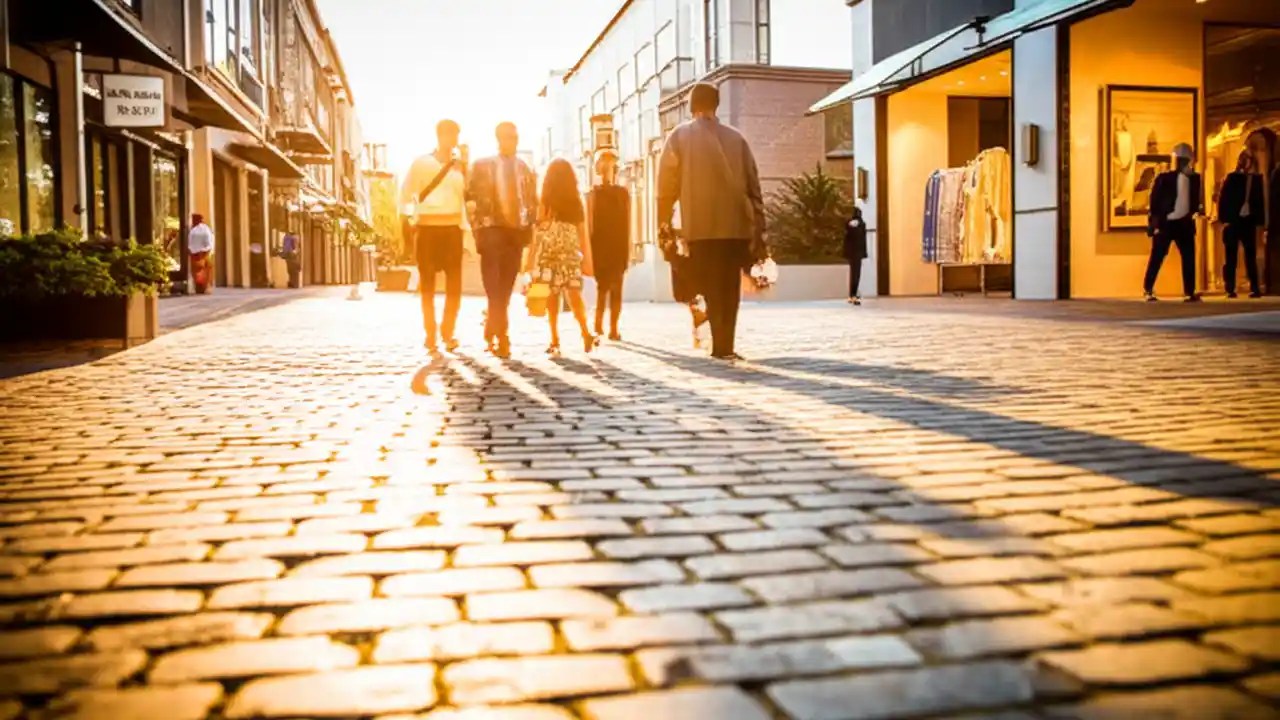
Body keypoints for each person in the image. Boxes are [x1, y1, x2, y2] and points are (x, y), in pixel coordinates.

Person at [657, 81, 765, 360]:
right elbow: (754, 189)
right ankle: (725, 345)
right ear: (717, 105)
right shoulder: (737, 139)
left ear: (692, 105)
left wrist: (663, 226)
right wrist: (759, 231)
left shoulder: (679, 138)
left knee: (705, 285)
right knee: (729, 287)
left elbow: (665, 189)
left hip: (698, 228)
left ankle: (714, 340)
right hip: (735, 226)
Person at [468, 122, 538, 359]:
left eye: (515, 137)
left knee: (506, 286)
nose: (513, 141)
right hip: (491, 230)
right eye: (508, 137)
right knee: (492, 286)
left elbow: (531, 201)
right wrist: (477, 228)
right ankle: (502, 335)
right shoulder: (482, 166)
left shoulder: (524, 168)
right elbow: (470, 198)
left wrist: (529, 228)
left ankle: (492, 326)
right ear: (498, 138)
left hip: (514, 233)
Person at [401, 119, 468, 353]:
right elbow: (407, 195)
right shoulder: (421, 164)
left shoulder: (460, 167)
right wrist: (410, 223)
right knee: (427, 285)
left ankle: (448, 331)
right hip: (427, 229)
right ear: (439, 136)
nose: (453, 140)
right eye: (449, 135)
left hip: (452, 230)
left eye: (456, 136)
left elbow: (468, 199)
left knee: (455, 285)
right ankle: (430, 333)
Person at [526, 159, 596, 355]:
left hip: (549, 252)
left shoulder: (545, 200)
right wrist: (587, 259)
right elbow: (583, 232)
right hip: (570, 253)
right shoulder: (575, 201)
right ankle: (585, 331)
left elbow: (538, 226)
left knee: (551, 298)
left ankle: (555, 339)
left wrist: (530, 259)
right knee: (574, 294)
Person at [1144, 143, 1203, 302]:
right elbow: (1155, 201)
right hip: (1166, 222)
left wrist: (1196, 210)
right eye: (1180, 160)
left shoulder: (1195, 179)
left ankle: (1189, 291)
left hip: (1184, 223)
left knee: (1189, 257)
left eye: (1186, 160)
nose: (1183, 163)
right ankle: (1148, 288)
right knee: (1158, 255)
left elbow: (1196, 200)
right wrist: (1153, 223)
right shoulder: (1164, 178)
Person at [588, 150, 631, 341]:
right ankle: (598, 323)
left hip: (618, 245)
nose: (608, 169)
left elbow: (628, 222)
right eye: (604, 165)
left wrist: (628, 249)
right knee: (602, 287)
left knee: (617, 288)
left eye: (611, 165)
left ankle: (613, 327)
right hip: (599, 246)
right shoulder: (593, 194)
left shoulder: (623, 193)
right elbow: (589, 222)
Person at [1218, 149, 1265, 299]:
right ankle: (1243, 287)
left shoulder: (1238, 179)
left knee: (1239, 256)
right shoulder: (1245, 179)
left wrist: (1224, 219)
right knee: (1241, 256)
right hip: (1241, 222)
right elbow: (1259, 203)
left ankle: (1240, 287)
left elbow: (1224, 200)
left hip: (1239, 222)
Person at [844, 205, 868, 305]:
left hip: (851, 253)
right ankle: (853, 294)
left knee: (852, 274)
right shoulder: (861, 225)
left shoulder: (848, 225)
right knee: (856, 274)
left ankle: (851, 294)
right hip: (858, 253)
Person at [188, 214, 214, 294]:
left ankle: (198, 289)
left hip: (194, 255)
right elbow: (209, 244)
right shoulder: (206, 229)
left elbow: (190, 244)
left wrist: (192, 253)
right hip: (204, 254)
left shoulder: (193, 231)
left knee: (196, 272)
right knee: (206, 271)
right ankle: (205, 287)